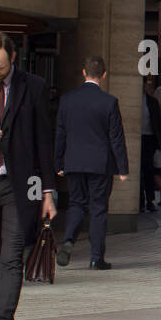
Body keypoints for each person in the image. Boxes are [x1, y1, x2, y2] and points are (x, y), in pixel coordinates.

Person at [0, 31, 58, 320]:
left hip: (22, 186)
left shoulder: (36, 88)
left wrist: (48, 192)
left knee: (11, 256)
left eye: (0, 68)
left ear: (12, 58)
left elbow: (45, 142)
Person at [54, 56, 129, 270]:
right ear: (104, 75)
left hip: (74, 161)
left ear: (84, 73)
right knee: (98, 209)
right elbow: (116, 137)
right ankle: (96, 258)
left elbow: (60, 133)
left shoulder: (67, 100)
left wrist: (58, 162)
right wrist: (123, 169)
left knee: (76, 203)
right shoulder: (109, 102)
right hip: (100, 164)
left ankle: (68, 239)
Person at [140, 77, 161, 213]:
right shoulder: (132, 101)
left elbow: (158, 123)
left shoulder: (152, 102)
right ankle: (140, 201)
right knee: (138, 172)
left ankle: (149, 200)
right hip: (137, 139)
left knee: (149, 170)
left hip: (149, 139)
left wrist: (160, 142)